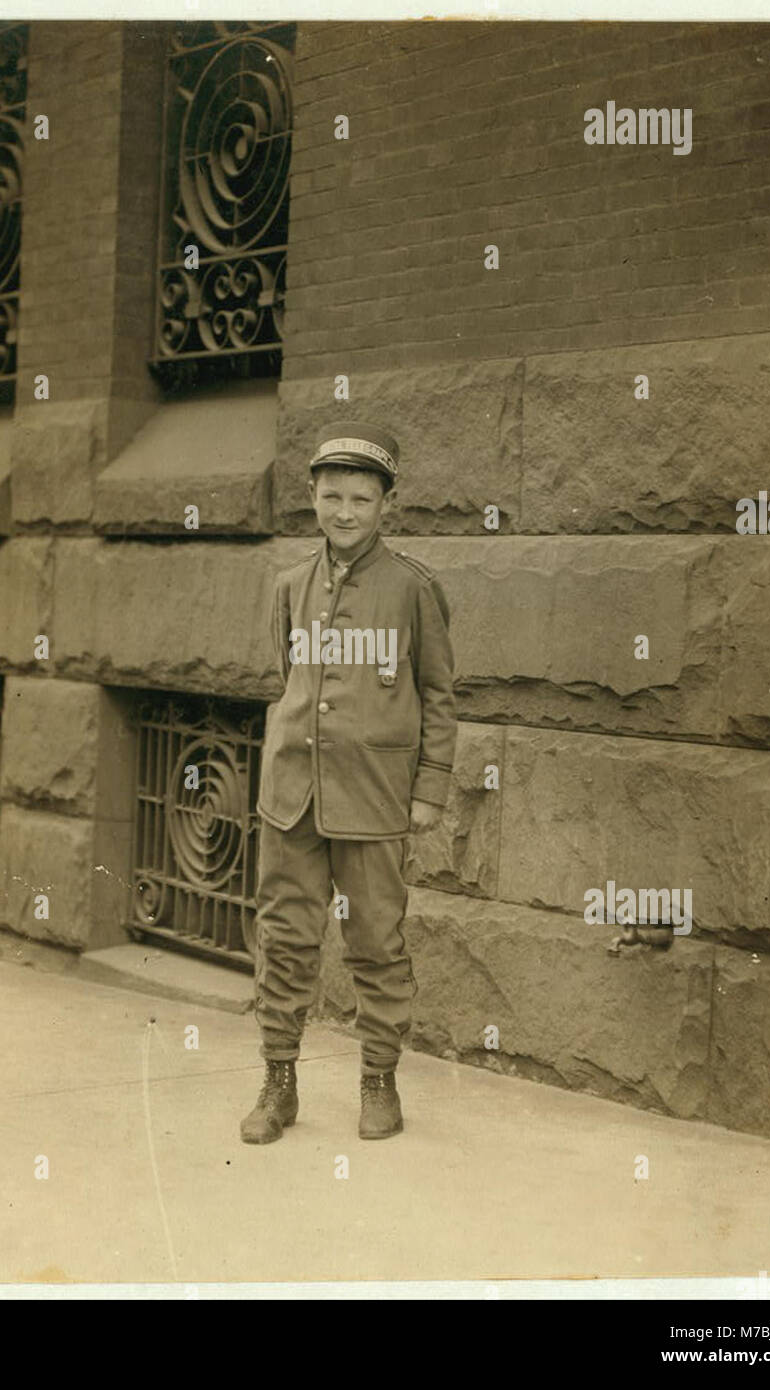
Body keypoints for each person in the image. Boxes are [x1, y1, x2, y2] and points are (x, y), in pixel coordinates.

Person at [241, 421, 457, 1143]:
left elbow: (439, 695)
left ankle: (378, 1080)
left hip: (374, 798)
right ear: (312, 496)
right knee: (286, 938)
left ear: (385, 503)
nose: (344, 512)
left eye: (360, 499)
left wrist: (429, 789)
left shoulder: (413, 590)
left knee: (376, 943)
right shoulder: (288, 587)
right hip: (293, 797)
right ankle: (279, 1081)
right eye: (331, 496)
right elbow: (285, 681)